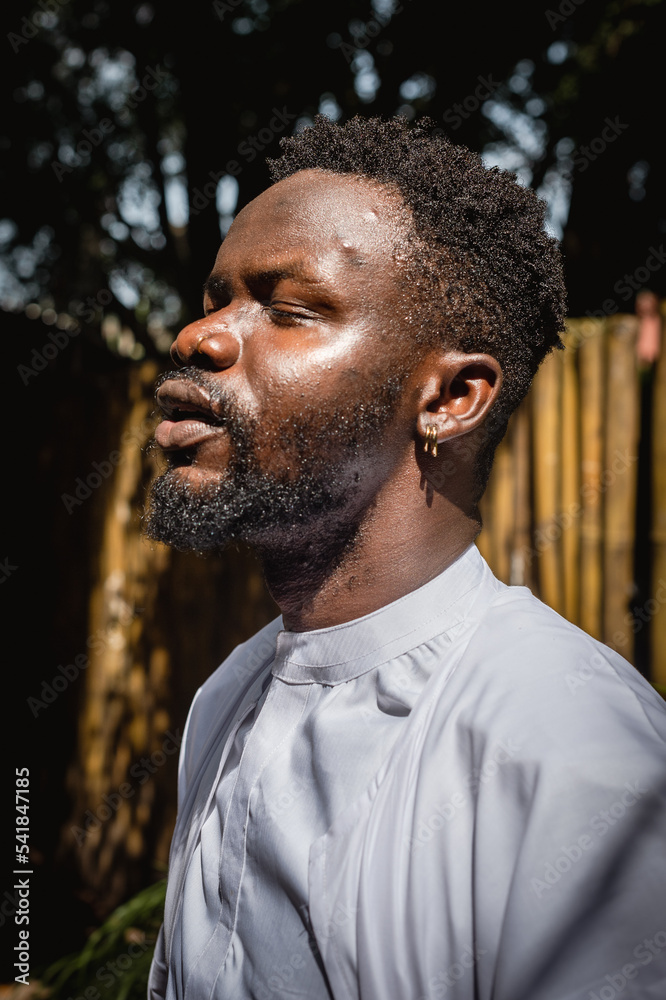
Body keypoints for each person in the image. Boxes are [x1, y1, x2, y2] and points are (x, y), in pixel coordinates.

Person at [145, 116, 666, 1000]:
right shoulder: (227, 699)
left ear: (452, 398)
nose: (201, 338)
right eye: (216, 298)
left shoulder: (569, 750)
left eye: (289, 308)